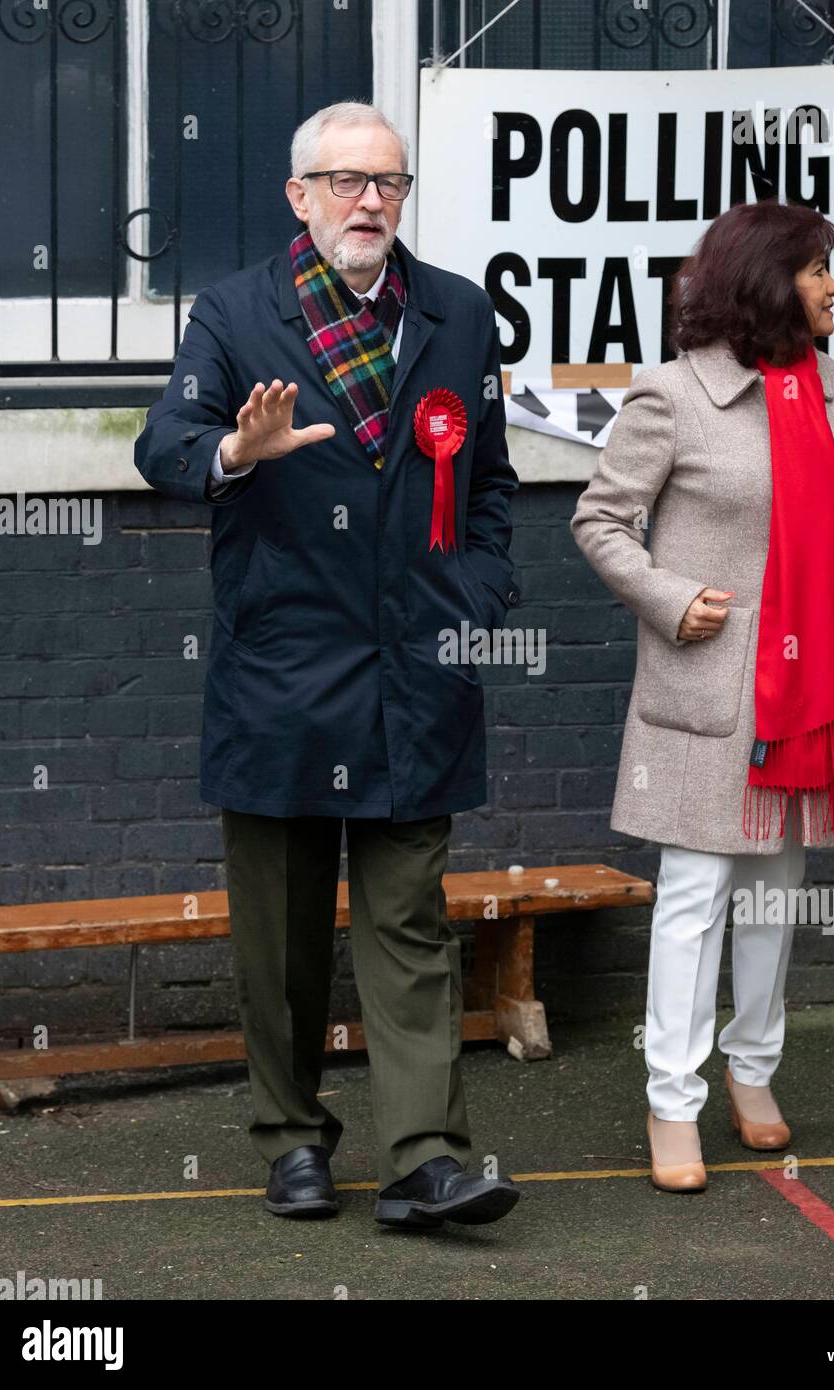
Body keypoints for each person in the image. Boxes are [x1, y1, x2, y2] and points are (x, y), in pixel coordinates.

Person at [134, 101, 523, 1230]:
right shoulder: (232, 313)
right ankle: (292, 1139)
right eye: (346, 181)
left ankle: (427, 1155)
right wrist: (230, 452)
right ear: (298, 196)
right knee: (284, 936)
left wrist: (480, 585)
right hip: (284, 679)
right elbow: (161, 444)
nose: (370, 202)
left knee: (408, 922)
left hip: (418, 672)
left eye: (388, 184)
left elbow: (488, 476)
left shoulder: (453, 313)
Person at [570, 200, 834, 1194]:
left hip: (808, 687)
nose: (832, 287)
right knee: (697, 896)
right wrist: (671, 601)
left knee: (772, 894)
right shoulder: (671, 395)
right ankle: (673, 1101)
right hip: (708, 691)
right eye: (814, 272)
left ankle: (752, 1075)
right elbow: (601, 520)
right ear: (764, 282)